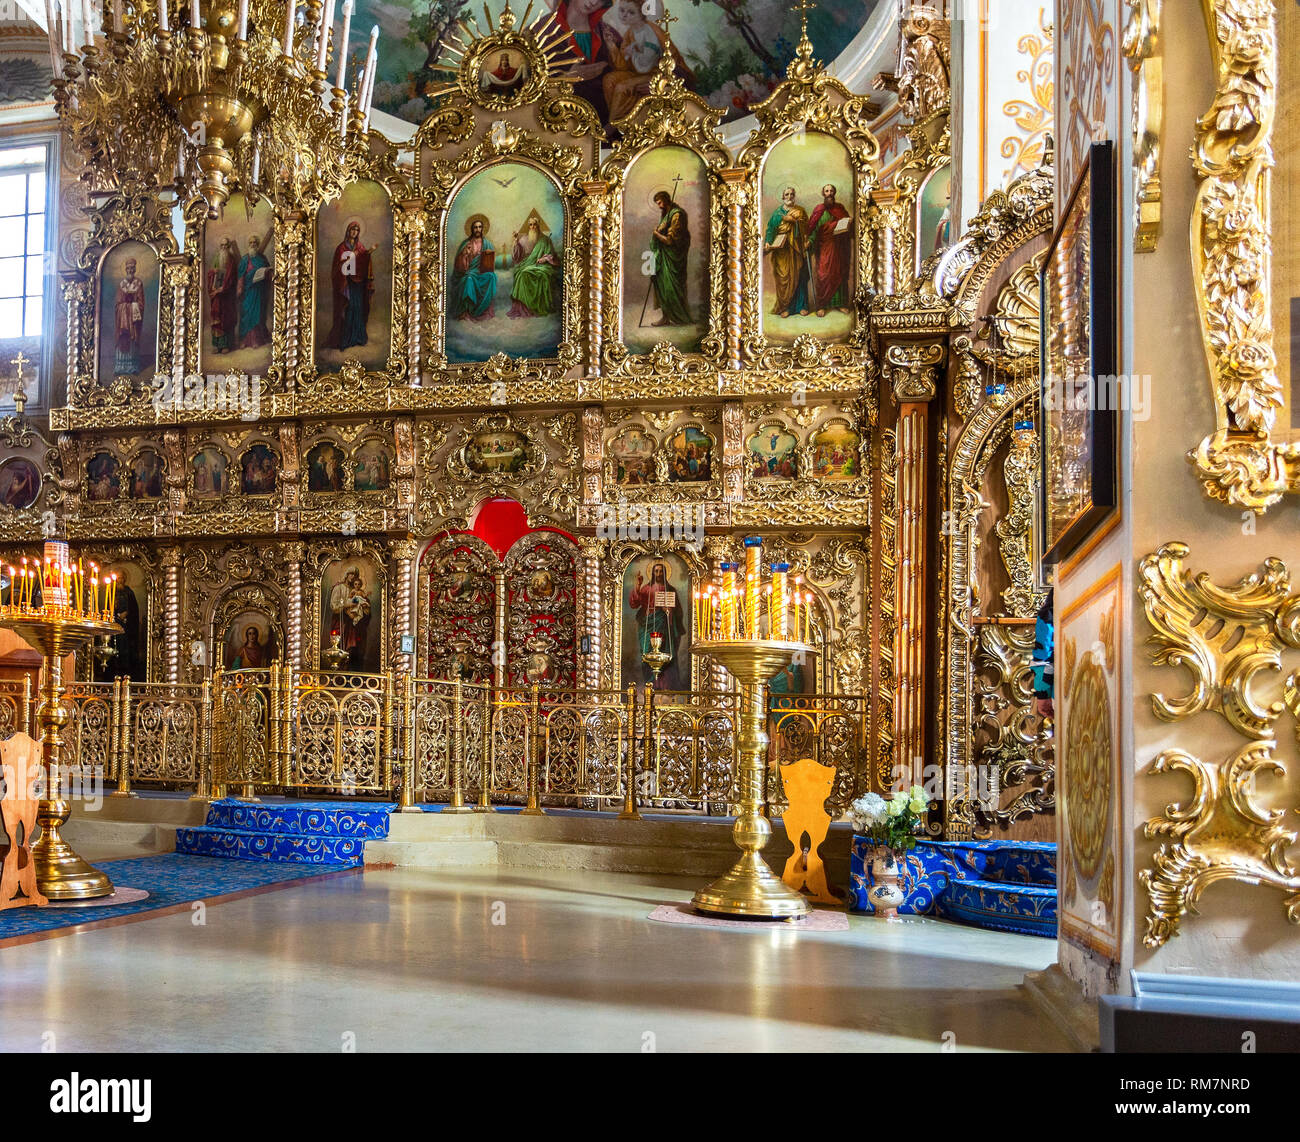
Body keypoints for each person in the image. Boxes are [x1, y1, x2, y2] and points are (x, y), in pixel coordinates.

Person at [628, 560, 685, 690]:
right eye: (656, 571)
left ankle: (664, 685)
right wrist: (638, 585)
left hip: (664, 624)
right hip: (647, 624)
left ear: (665, 573)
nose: (658, 574)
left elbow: (678, 612)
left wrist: (669, 612)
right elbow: (634, 604)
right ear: (652, 573)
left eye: (661, 571)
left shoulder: (671, 590)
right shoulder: (646, 589)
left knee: (664, 652)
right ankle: (650, 683)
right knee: (647, 651)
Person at [329, 219, 374, 351]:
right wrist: (349, 259)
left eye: (357, 230)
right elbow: (337, 267)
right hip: (346, 282)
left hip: (359, 283)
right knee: (348, 308)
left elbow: (364, 261)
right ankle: (346, 338)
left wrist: (368, 254)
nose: (354, 232)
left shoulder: (360, 247)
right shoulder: (341, 248)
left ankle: (358, 337)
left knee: (358, 308)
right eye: (352, 230)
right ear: (348, 231)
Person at [764, 186, 810, 317]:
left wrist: (795, 222)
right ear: (783, 197)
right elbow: (770, 229)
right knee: (784, 277)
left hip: (797, 248)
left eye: (792, 194)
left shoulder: (800, 211)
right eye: (787, 194)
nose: (789, 196)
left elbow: (807, 228)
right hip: (782, 250)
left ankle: (801, 305)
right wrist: (768, 241)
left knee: (799, 275)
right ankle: (786, 308)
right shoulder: (777, 214)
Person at [648, 189, 691, 326]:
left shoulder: (677, 215)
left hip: (674, 258)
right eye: (657, 203)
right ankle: (666, 317)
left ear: (666, 200)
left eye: (660, 202)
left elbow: (670, 241)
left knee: (672, 287)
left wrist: (656, 234)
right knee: (662, 286)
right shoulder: (666, 215)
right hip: (664, 256)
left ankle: (679, 318)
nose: (659, 206)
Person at [806, 183, 851, 316]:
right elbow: (813, 230)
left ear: (834, 193)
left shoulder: (840, 209)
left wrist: (849, 223)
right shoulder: (819, 210)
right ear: (823, 193)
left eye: (831, 191)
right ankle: (822, 305)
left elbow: (848, 228)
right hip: (824, 248)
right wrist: (809, 241)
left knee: (839, 274)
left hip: (838, 248)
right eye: (827, 191)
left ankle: (840, 304)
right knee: (823, 275)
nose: (829, 193)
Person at [508, 213, 561, 318]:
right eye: (530, 225)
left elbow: (551, 255)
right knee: (521, 273)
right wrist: (515, 241)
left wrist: (545, 258)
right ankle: (523, 307)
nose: (532, 227)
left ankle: (535, 307)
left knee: (533, 274)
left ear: (538, 226)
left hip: (544, 266)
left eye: (534, 225)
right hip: (527, 263)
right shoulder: (524, 239)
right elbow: (517, 255)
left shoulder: (545, 240)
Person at [450, 216, 496, 321]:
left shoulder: (487, 244)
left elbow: (490, 262)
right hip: (469, 271)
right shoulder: (466, 244)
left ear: (482, 229)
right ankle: (467, 311)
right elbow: (459, 267)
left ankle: (484, 310)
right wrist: (465, 255)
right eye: (475, 227)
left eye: (480, 227)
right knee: (469, 279)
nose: (478, 229)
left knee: (492, 276)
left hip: (482, 271)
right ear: (472, 229)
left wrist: (488, 256)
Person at [329, 567, 372, 671]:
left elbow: (365, 608)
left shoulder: (357, 591)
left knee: (353, 649)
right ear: (347, 575)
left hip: (352, 624)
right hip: (341, 621)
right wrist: (348, 605)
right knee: (340, 647)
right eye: (351, 574)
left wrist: (364, 607)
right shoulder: (339, 588)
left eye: (354, 575)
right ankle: (339, 672)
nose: (352, 577)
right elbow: (334, 606)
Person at [236, 234, 271, 348]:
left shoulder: (262, 259)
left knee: (257, 314)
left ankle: (256, 340)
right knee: (246, 313)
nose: (252, 245)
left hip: (258, 290)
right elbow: (241, 275)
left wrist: (265, 272)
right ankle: (245, 341)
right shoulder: (245, 260)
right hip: (247, 290)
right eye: (250, 243)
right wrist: (240, 288)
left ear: (257, 245)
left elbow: (268, 273)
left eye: (255, 243)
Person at [114, 257, 146, 375]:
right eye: (128, 268)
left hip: (133, 320)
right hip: (123, 319)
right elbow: (118, 304)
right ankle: (120, 366)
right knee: (123, 338)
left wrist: (133, 306)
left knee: (133, 340)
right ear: (125, 269)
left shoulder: (138, 284)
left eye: (132, 268)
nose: (130, 270)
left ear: (135, 269)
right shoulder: (121, 285)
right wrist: (125, 307)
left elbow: (141, 303)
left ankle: (133, 366)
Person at [206, 238, 239, 354]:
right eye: (222, 245)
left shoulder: (231, 260)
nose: (224, 247)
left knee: (226, 319)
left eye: (226, 245)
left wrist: (222, 289)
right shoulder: (216, 257)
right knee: (217, 318)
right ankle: (217, 345)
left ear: (229, 246)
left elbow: (232, 277)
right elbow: (210, 274)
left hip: (227, 296)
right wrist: (213, 272)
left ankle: (226, 345)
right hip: (217, 296)